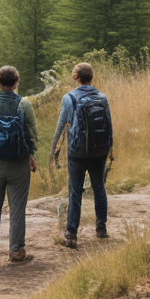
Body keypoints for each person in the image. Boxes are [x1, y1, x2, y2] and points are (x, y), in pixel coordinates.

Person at [0, 65, 39, 265]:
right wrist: (30, 155)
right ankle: (16, 251)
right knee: (17, 207)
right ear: (16, 82)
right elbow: (32, 134)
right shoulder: (25, 104)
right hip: (19, 165)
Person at [51, 62, 113, 248]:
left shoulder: (69, 97)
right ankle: (101, 228)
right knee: (99, 186)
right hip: (100, 150)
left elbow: (61, 125)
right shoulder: (102, 97)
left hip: (77, 151)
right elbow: (108, 123)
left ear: (76, 77)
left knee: (75, 190)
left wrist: (53, 148)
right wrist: (110, 149)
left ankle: (71, 234)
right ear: (91, 77)